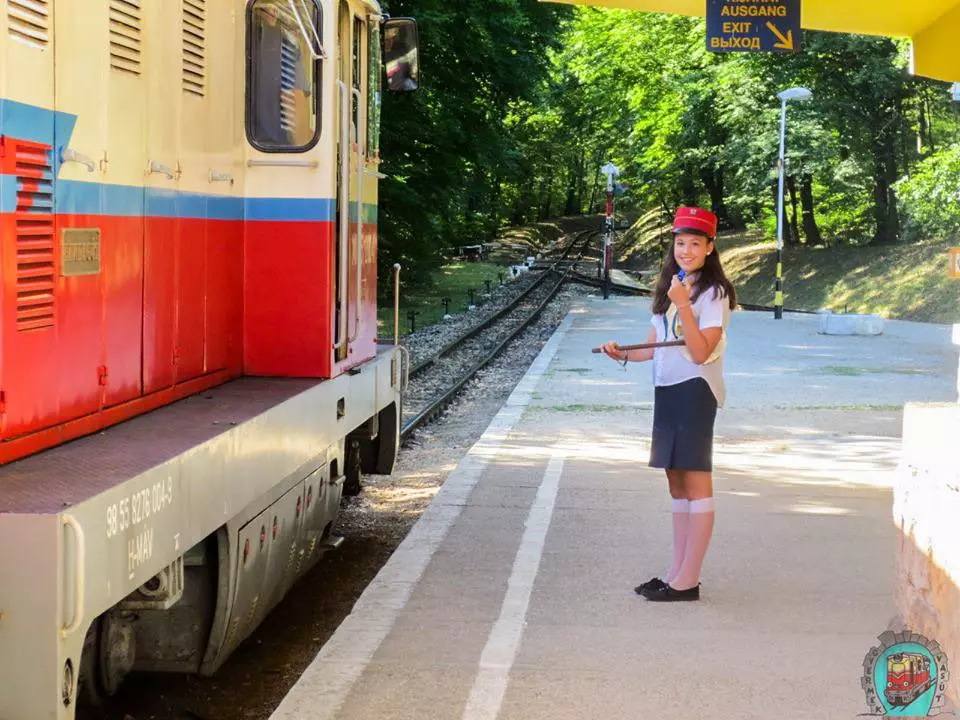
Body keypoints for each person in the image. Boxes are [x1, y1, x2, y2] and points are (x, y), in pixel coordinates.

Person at [601, 206, 736, 602]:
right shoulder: (671, 284)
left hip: (695, 389)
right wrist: (623, 352)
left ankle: (688, 582)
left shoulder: (714, 293)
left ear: (710, 248)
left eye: (696, 243)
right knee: (676, 483)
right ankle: (675, 573)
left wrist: (684, 305)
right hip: (667, 388)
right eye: (680, 243)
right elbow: (657, 345)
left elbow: (698, 352)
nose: (686, 250)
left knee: (695, 481)